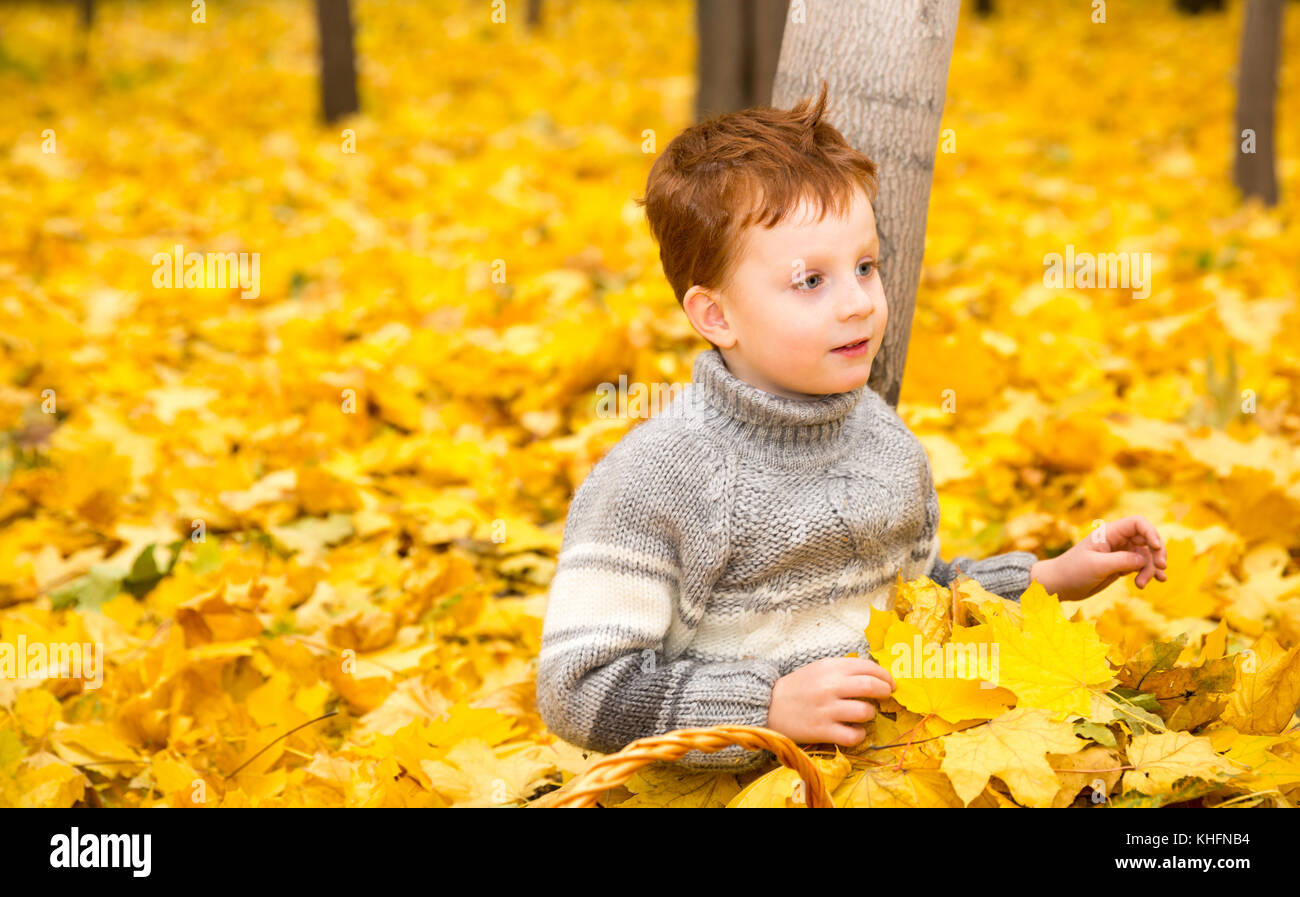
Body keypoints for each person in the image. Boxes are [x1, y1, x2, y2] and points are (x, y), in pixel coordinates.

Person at [535, 81, 1167, 773]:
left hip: (887, 771)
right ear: (715, 315)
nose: (859, 303)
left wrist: (1052, 576)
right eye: (812, 281)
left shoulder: (886, 444)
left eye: (866, 267)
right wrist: (764, 707)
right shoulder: (659, 478)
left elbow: (919, 599)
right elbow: (580, 689)